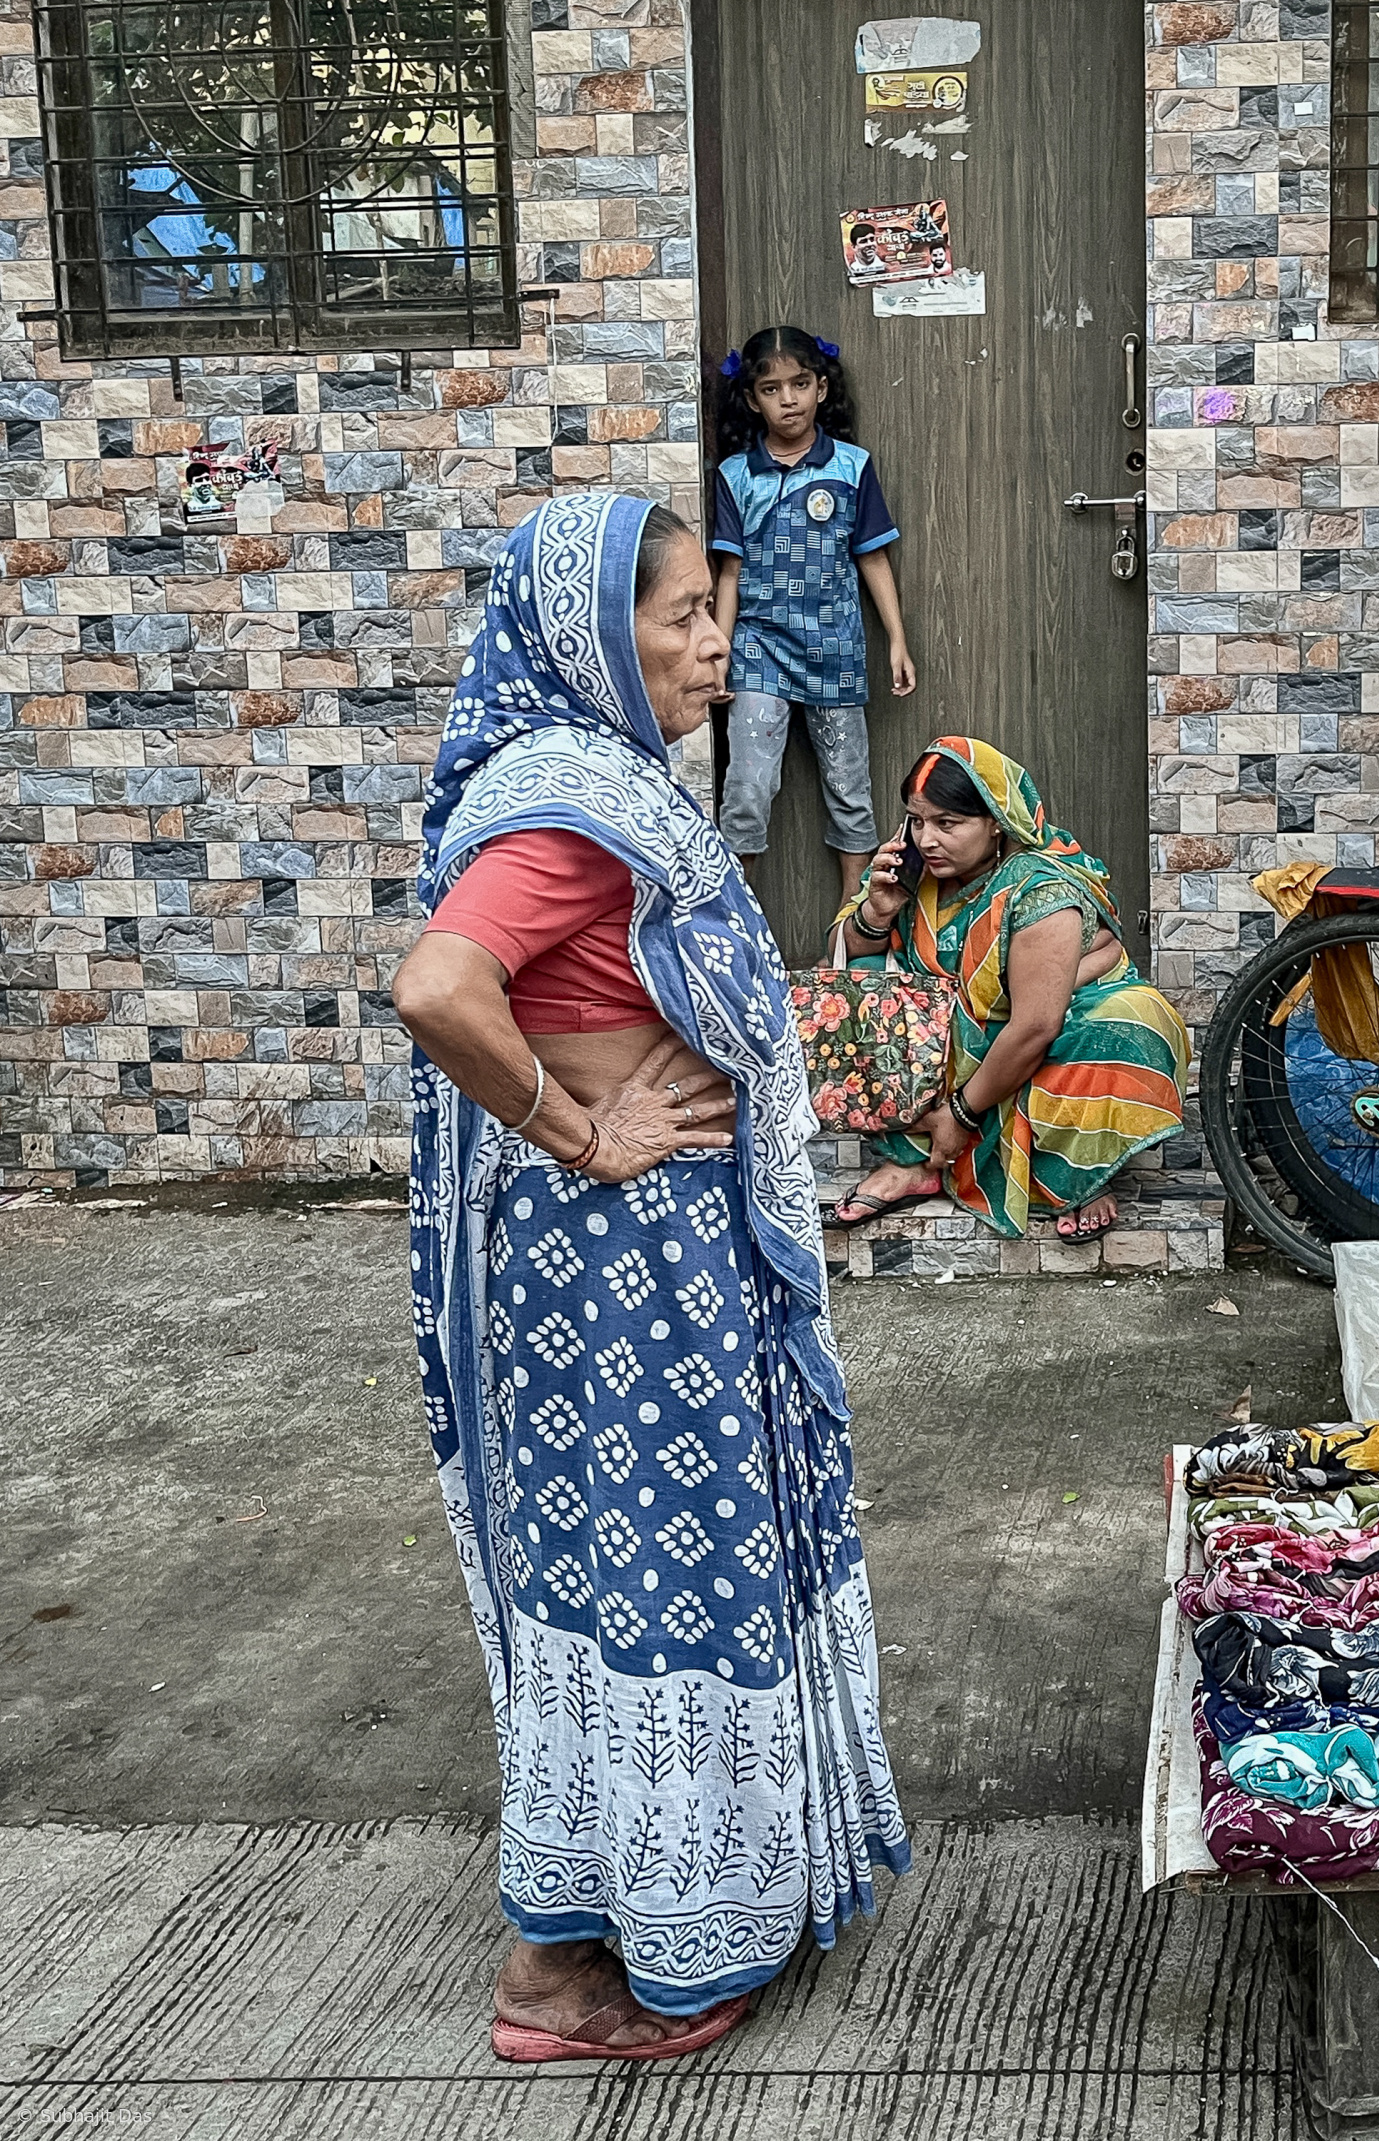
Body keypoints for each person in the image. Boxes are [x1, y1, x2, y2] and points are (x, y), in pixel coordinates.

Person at [393, 491, 910, 2063]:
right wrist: (580, 1131)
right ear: (586, 640)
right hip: (616, 1261)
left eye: (711, 609)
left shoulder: (604, 785)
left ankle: (633, 1919)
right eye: (680, 615)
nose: (714, 639)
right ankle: (567, 1977)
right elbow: (438, 986)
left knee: (646, 1569)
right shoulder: (562, 807)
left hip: (658, 1260)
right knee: (651, 1571)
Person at [825, 737, 1189, 1245]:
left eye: (947, 824)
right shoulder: (911, 874)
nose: (926, 839)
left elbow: (1034, 1025)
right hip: (963, 1035)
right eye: (916, 819)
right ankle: (915, 1163)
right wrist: (875, 912)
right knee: (858, 987)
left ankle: (1076, 1175)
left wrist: (958, 1113)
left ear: (995, 819)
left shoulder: (1041, 890)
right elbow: (839, 956)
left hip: (1034, 1040)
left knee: (1123, 1025)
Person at [710, 324, 915, 912]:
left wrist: (897, 641)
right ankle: (735, 930)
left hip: (836, 652)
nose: (789, 399)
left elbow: (872, 556)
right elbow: (728, 573)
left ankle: (856, 935)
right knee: (747, 791)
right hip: (757, 655)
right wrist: (718, 655)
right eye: (772, 389)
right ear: (753, 399)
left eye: (800, 384)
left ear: (821, 388)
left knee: (851, 792)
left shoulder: (851, 467)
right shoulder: (735, 477)